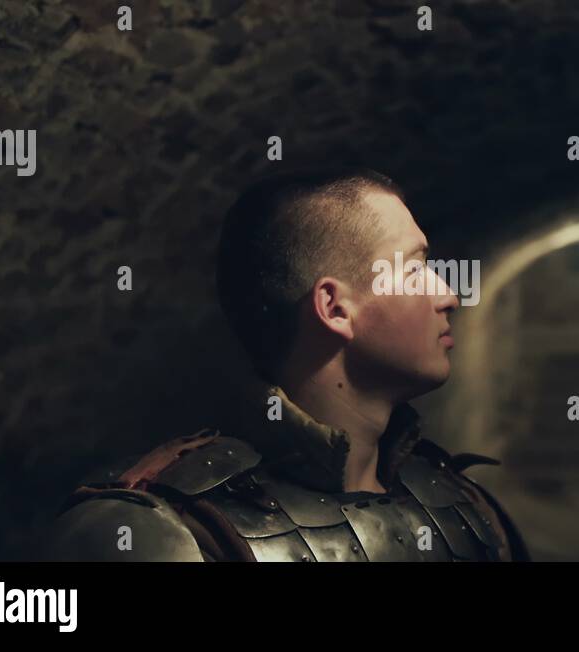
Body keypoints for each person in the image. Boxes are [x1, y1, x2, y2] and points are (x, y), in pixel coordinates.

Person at [44, 168, 529, 562]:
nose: (447, 294)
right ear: (335, 308)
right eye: (415, 268)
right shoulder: (163, 535)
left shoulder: (467, 510)